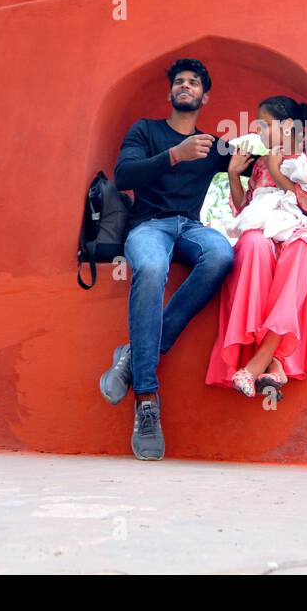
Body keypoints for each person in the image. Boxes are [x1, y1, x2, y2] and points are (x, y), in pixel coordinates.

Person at [98, 58, 235, 460]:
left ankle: (136, 355)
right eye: (180, 81)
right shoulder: (146, 130)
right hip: (148, 226)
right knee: (153, 266)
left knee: (221, 255)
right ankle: (146, 398)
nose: (186, 86)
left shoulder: (212, 144)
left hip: (191, 228)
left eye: (194, 82)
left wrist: (282, 136)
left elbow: (255, 160)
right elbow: (123, 176)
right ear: (171, 92)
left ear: (205, 96)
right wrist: (175, 155)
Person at [206, 96, 307, 399]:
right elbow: (245, 210)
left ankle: (257, 362)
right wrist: (234, 174)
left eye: (264, 124)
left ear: (287, 125)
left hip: (299, 230)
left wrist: (277, 171)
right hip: (264, 231)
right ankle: (274, 362)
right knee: (251, 243)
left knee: (300, 248)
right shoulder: (260, 162)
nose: (258, 130)